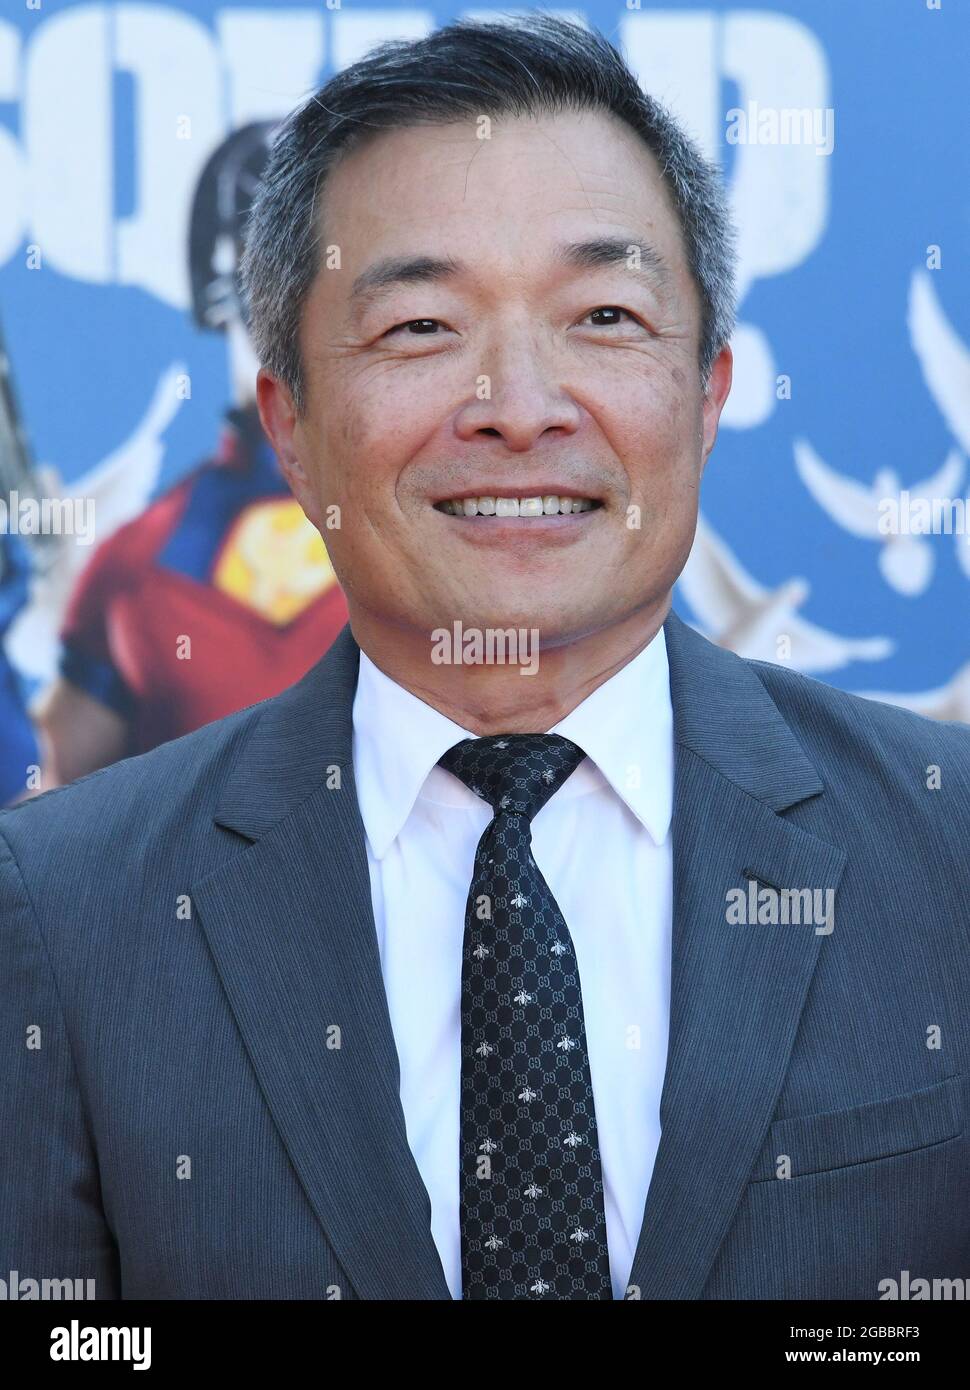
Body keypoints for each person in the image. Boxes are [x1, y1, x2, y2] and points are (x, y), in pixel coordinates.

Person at [1, 15, 967, 1301]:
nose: (519, 404)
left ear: (709, 390)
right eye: (419, 328)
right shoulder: (65, 908)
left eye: (604, 314)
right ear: (289, 422)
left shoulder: (943, 851)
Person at [32, 123, 348, 784]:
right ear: (223, 311)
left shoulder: (455, 523)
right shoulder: (138, 560)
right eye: (267, 318)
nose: (301, 352)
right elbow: (34, 824)